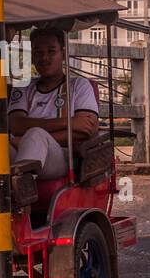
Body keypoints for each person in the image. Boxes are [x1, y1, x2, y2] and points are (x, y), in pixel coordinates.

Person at [9, 26, 99, 179]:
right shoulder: (24, 86)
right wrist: (69, 122)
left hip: (62, 156)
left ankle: (23, 189)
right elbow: (16, 125)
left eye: (51, 51)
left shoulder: (79, 85)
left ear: (63, 54)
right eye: (38, 53)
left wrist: (29, 140)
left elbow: (84, 129)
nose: (44, 58)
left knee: (36, 134)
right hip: (20, 148)